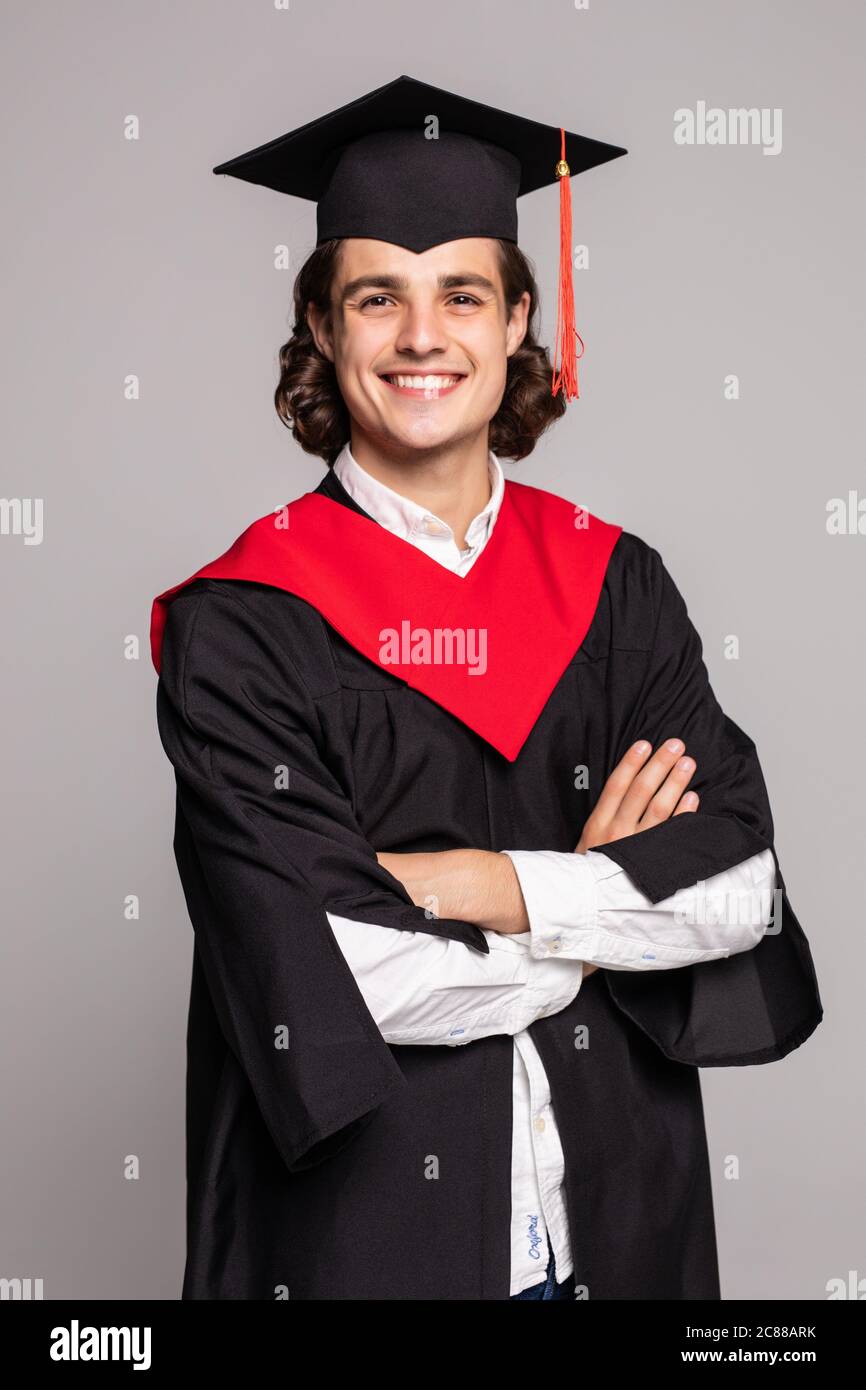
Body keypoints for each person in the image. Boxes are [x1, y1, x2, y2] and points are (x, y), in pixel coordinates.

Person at [151, 75, 823, 1301]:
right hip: (359, 1256)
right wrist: (598, 920)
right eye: (376, 298)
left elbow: (738, 891)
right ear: (321, 322)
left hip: (622, 1238)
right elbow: (342, 974)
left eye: (461, 294)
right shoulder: (241, 624)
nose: (422, 338)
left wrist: (487, 885)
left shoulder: (616, 586)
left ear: (517, 317)